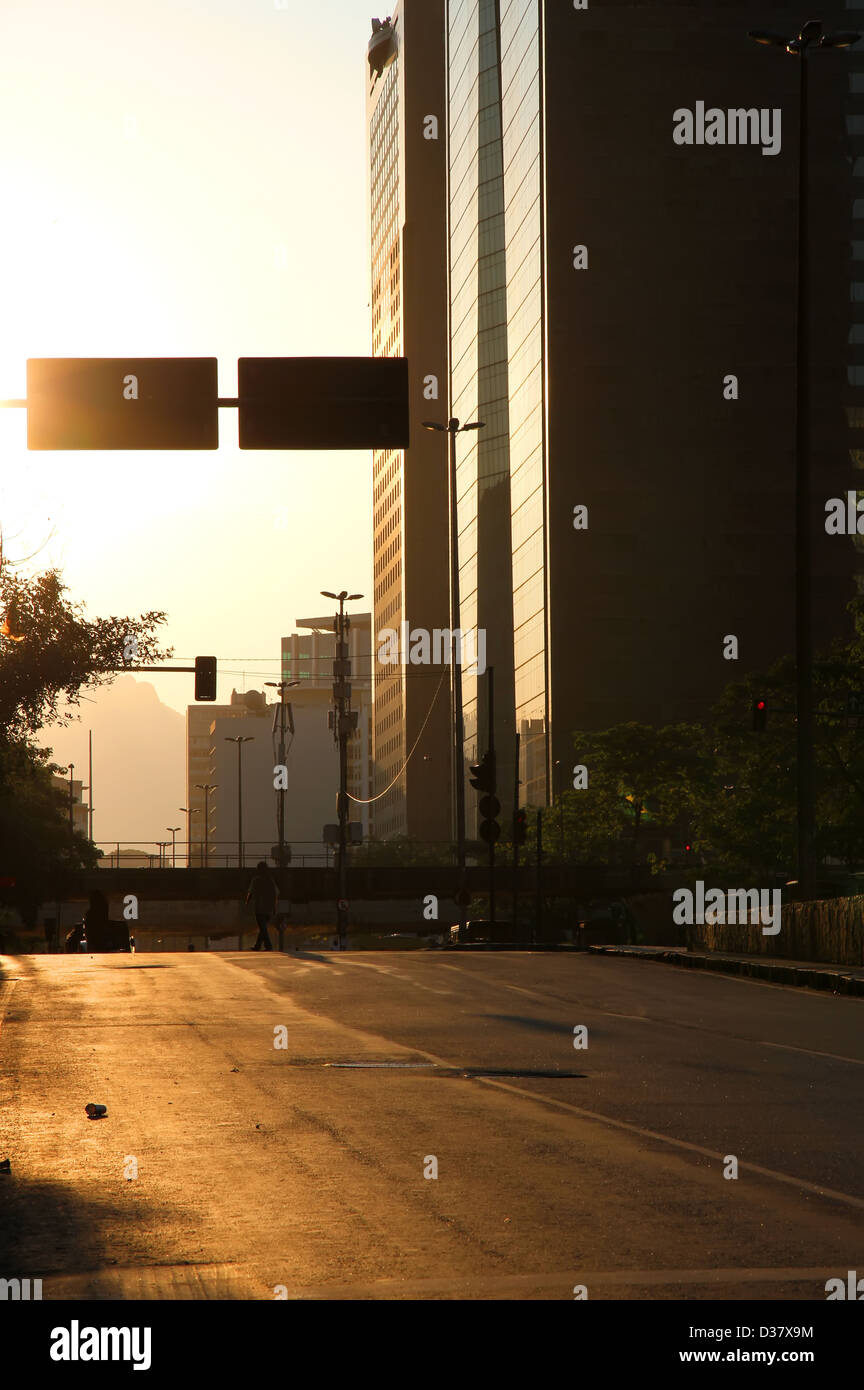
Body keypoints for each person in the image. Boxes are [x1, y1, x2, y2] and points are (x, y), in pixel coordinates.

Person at [245, 862, 279, 951]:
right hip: (269, 908)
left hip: (259, 907)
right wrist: (275, 907)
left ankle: (268, 945)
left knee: (262, 927)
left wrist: (247, 902)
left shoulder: (256, 880)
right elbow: (275, 894)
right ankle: (258, 945)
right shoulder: (270, 880)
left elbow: (250, 892)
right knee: (263, 927)